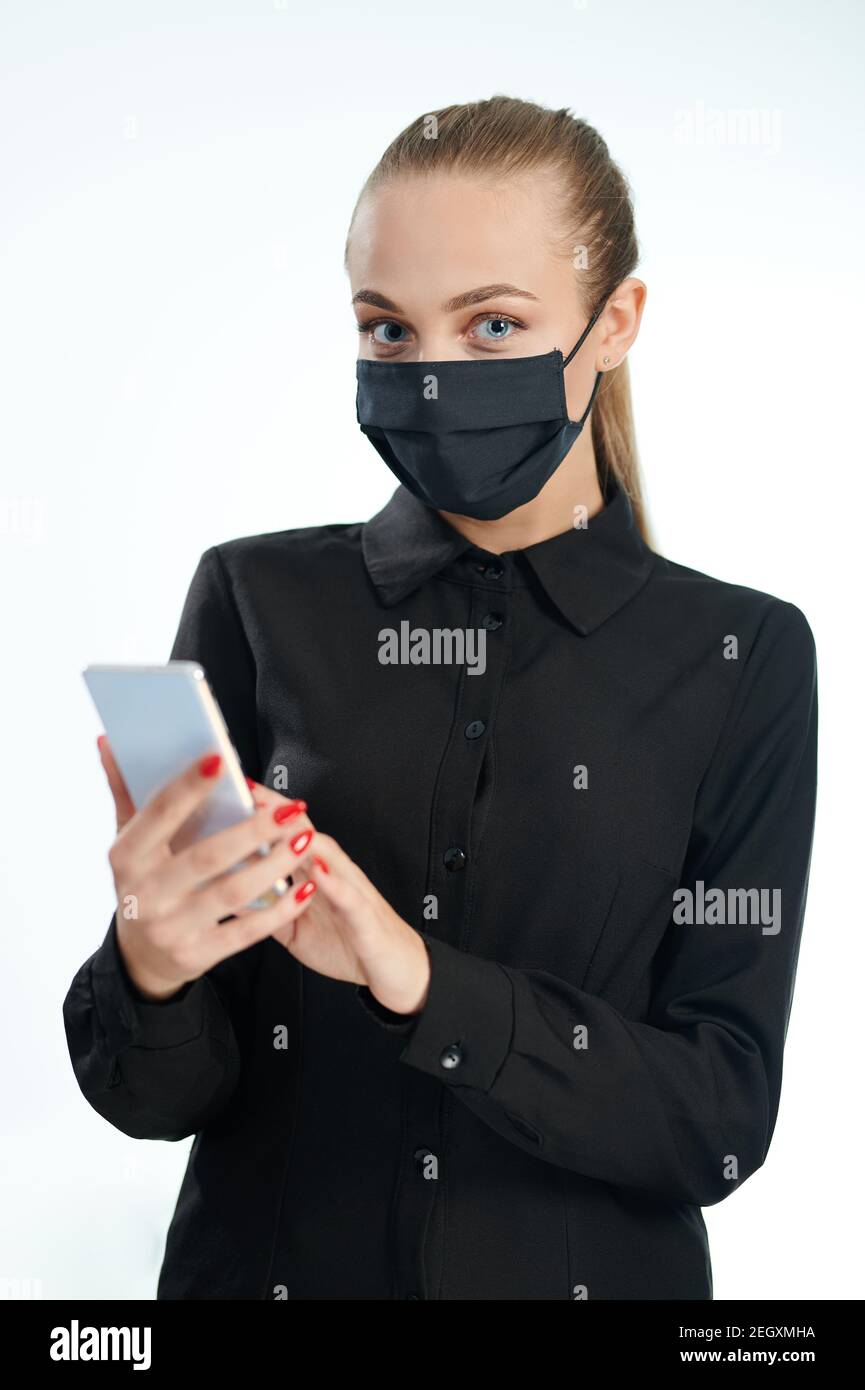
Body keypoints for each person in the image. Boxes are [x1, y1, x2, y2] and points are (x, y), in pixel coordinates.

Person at [63, 95, 818, 1301]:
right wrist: (151, 964)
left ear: (614, 320)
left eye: (494, 324)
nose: (430, 378)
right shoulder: (253, 596)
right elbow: (157, 1101)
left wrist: (418, 979)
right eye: (389, 331)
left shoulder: (743, 654)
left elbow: (718, 1115)